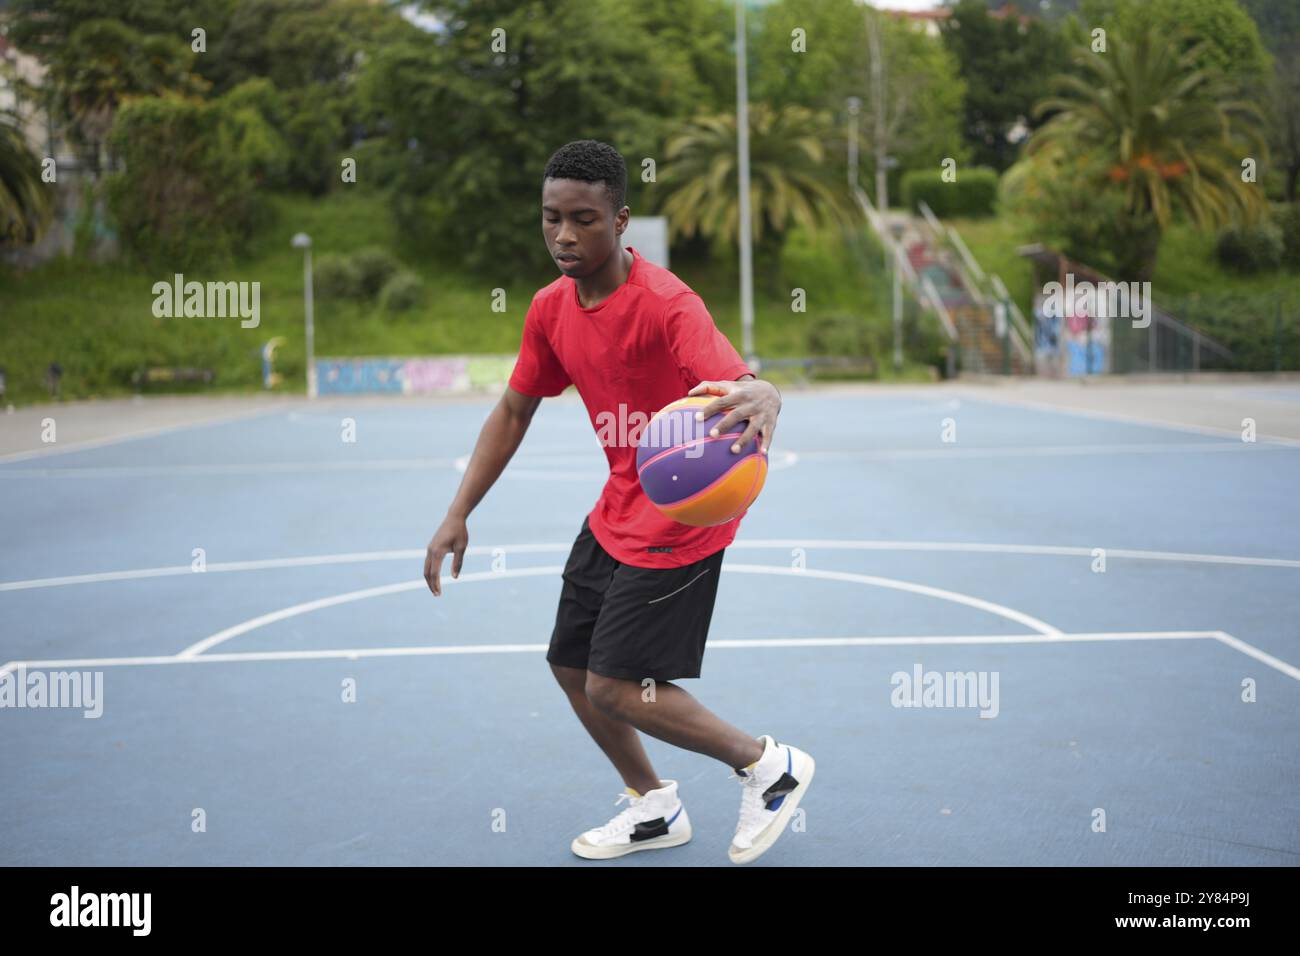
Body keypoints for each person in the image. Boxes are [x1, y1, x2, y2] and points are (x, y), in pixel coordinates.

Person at [424, 140, 813, 864]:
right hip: (617, 511)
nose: (565, 236)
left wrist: (770, 390)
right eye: (551, 219)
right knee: (572, 667)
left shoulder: (668, 304)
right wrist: (458, 512)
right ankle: (655, 806)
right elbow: (513, 412)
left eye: (584, 220)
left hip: (685, 519)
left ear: (621, 220)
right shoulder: (549, 310)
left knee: (614, 685)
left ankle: (767, 764)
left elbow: (740, 385)